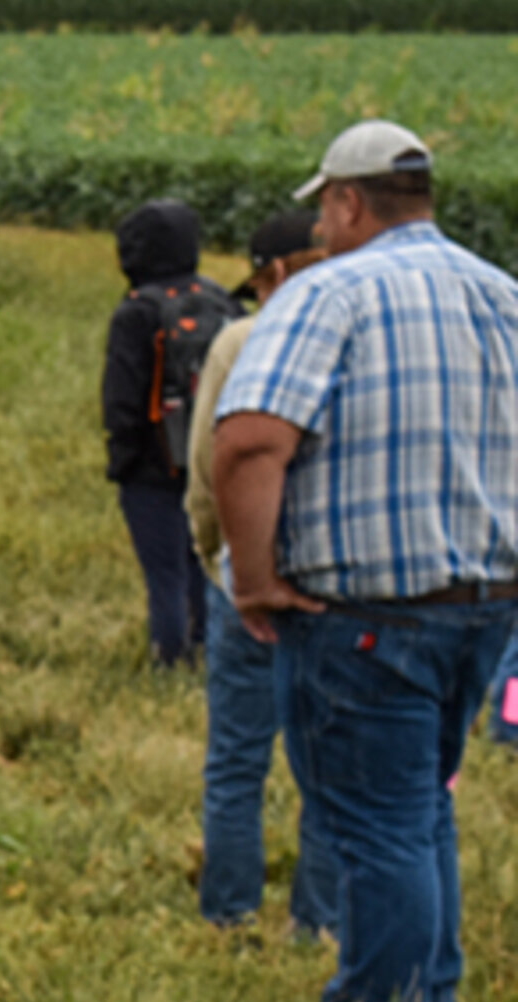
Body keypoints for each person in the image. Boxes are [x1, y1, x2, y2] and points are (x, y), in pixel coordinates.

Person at [214, 118, 518, 1002]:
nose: (322, 230)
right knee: (422, 808)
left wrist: (256, 580)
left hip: (366, 613)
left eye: (326, 211)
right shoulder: (503, 294)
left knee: (378, 823)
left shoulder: (327, 296)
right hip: (484, 608)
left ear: (348, 202)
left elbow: (249, 443)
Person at [183, 207, 339, 938]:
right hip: (336, 587)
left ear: (273, 272)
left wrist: (218, 558)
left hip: (243, 579)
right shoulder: (363, 331)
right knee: (332, 769)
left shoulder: (241, 340)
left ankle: (229, 914)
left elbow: (208, 467)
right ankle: (319, 923)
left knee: (237, 763)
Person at [103, 198, 232, 670]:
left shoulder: (137, 312)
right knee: (203, 561)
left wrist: (122, 458)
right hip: (212, 458)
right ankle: (207, 650)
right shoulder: (221, 299)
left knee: (164, 573)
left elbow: (122, 398)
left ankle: (169, 659)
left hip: (150, 466)